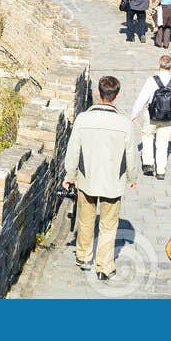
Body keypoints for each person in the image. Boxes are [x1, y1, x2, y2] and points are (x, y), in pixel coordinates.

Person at [62, 76, 136, 281]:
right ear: (117, 95)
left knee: (85, 220)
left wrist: (70, 175)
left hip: (87, 178)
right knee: (109, 225)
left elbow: (73, 150)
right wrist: (132, 176)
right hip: (113, 180)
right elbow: (131, 153)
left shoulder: (83, 119)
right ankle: (104, 266)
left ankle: (84, 257)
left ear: (98, 93)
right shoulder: (124, 123)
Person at [129, 55, 171, 179]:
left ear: (159, 65)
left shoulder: (152, 80)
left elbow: (142, 98)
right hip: (167, 117)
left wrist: (134, 113)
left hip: (151, 115)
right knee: (163, 143)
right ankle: (160, 170)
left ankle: (148, 164)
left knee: (147, 137)